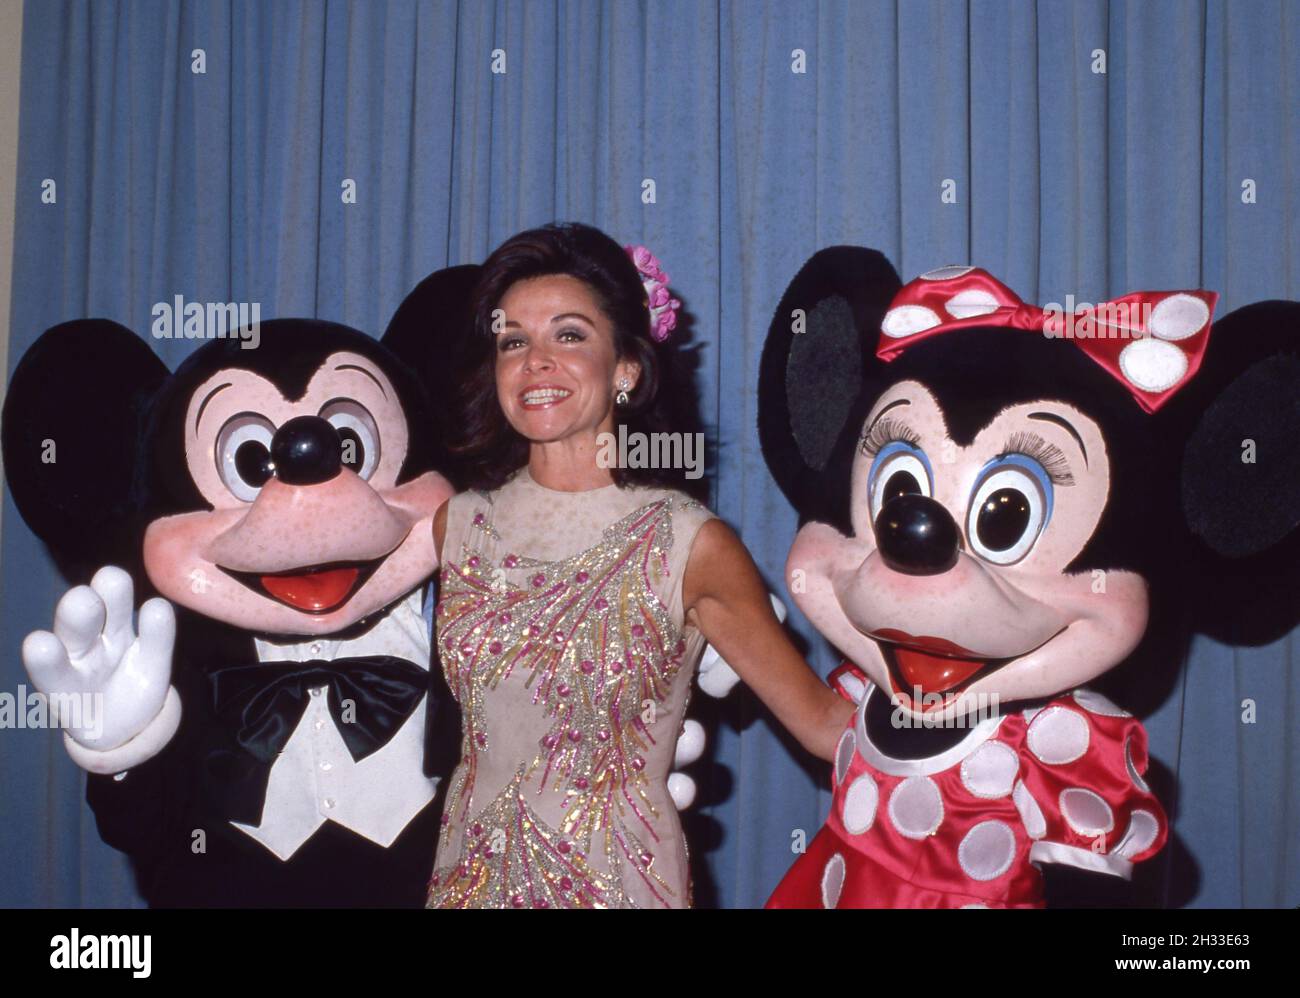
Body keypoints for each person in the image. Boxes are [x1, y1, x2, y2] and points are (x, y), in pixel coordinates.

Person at [425, 222, 853, 908]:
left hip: (622, 886)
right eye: (514, 341)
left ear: (624, 368)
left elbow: (825, 726)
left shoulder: (689, 541)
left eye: (569, 335)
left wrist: (993, 726)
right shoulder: (457, 525)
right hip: (467, 885)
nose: (537, 361)